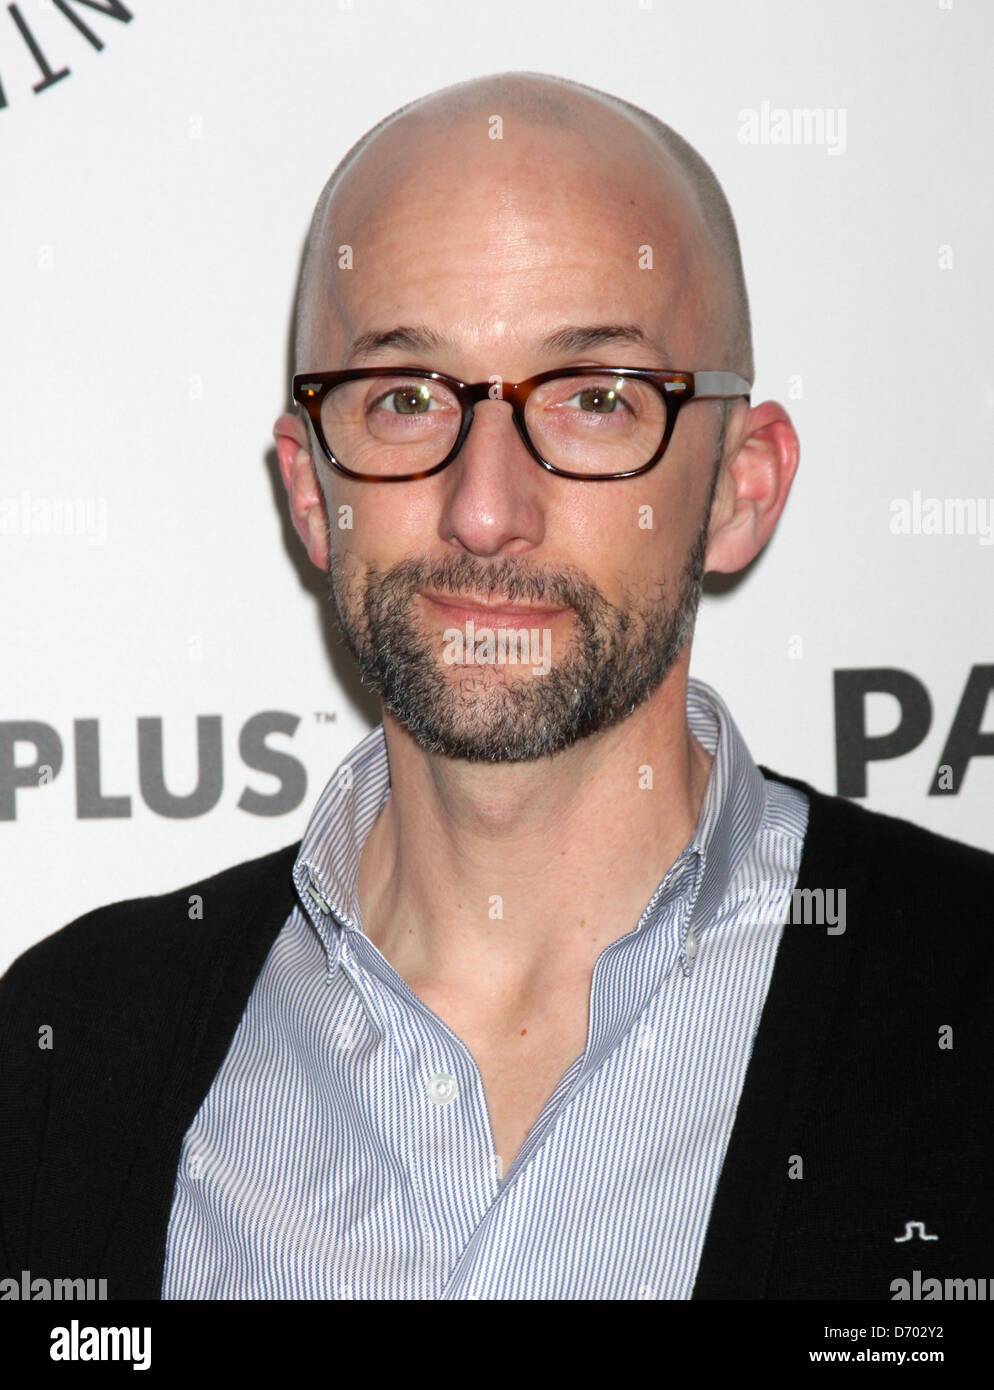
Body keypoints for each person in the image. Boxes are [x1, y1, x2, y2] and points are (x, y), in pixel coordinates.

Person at [1, 71, 991, 1303]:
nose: (484, 511)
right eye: (406, 398)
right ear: (313, 492)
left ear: (741, 486)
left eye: (590, 400)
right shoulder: (64, 1052)